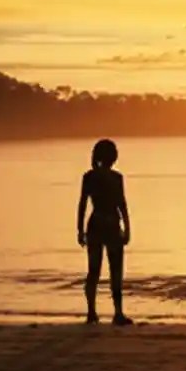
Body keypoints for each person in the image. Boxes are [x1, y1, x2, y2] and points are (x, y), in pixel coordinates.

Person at [77, 139, 133, 325]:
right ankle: (117, 313)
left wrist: (79, 229)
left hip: (95, 223)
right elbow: (122, 204)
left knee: (94, 270)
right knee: (115, 269)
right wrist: (127, 227)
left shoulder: (89, 177)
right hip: (110, 223)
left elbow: (83, 204)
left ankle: (91, 312)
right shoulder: (116, 178)